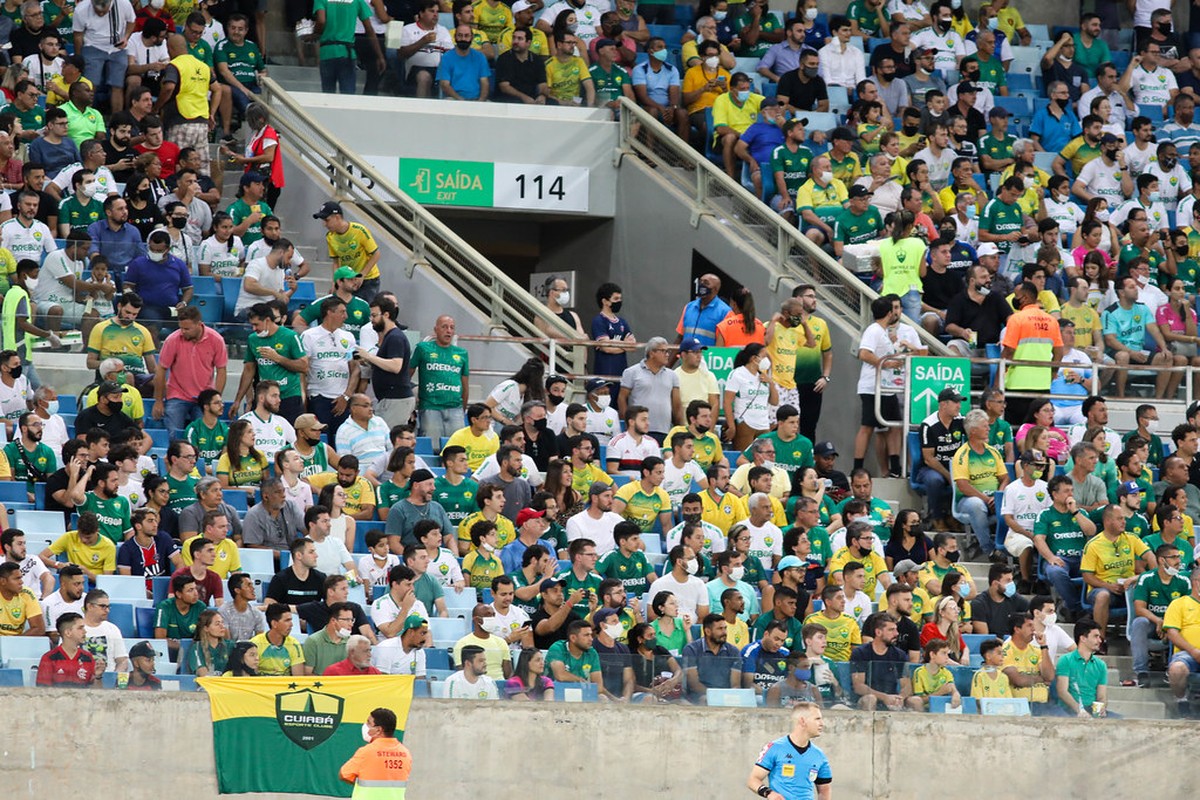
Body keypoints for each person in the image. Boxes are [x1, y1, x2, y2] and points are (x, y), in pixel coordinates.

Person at [339, 708, 412, 796]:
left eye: (369, 723)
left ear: (378, 730)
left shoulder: (366, 752)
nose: (365, 726)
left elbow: (344, 774)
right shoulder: (405, 753)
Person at [850, 613, 911, 710]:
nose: (896, 634)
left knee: (914, 700)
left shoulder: (900, 655)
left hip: (891, 701)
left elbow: (907, 685)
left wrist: (900, 698)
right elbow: (859, 686)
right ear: (878, 632)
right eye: (891, 630)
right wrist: (884, 697)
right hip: (865, 699)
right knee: (870, 699)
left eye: (896, 629)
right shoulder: (860, 653)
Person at [1055, 618, 1111, 718]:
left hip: (1091, 709)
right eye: (1096, 636)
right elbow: (1062, 692)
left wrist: (1101, 709)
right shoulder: (1065, 660)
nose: (1100, 640)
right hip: (1068, 710)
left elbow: (1102, 696)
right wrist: (1079, 710)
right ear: (1083, 638)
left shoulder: (1101, 665)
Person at [36, 612, 96, 687]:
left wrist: (98, 677)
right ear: (68, 632)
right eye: (80, 628)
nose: (85, 631)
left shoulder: (88, 657)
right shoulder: (49, 658)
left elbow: (95, 692)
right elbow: (42, 691)